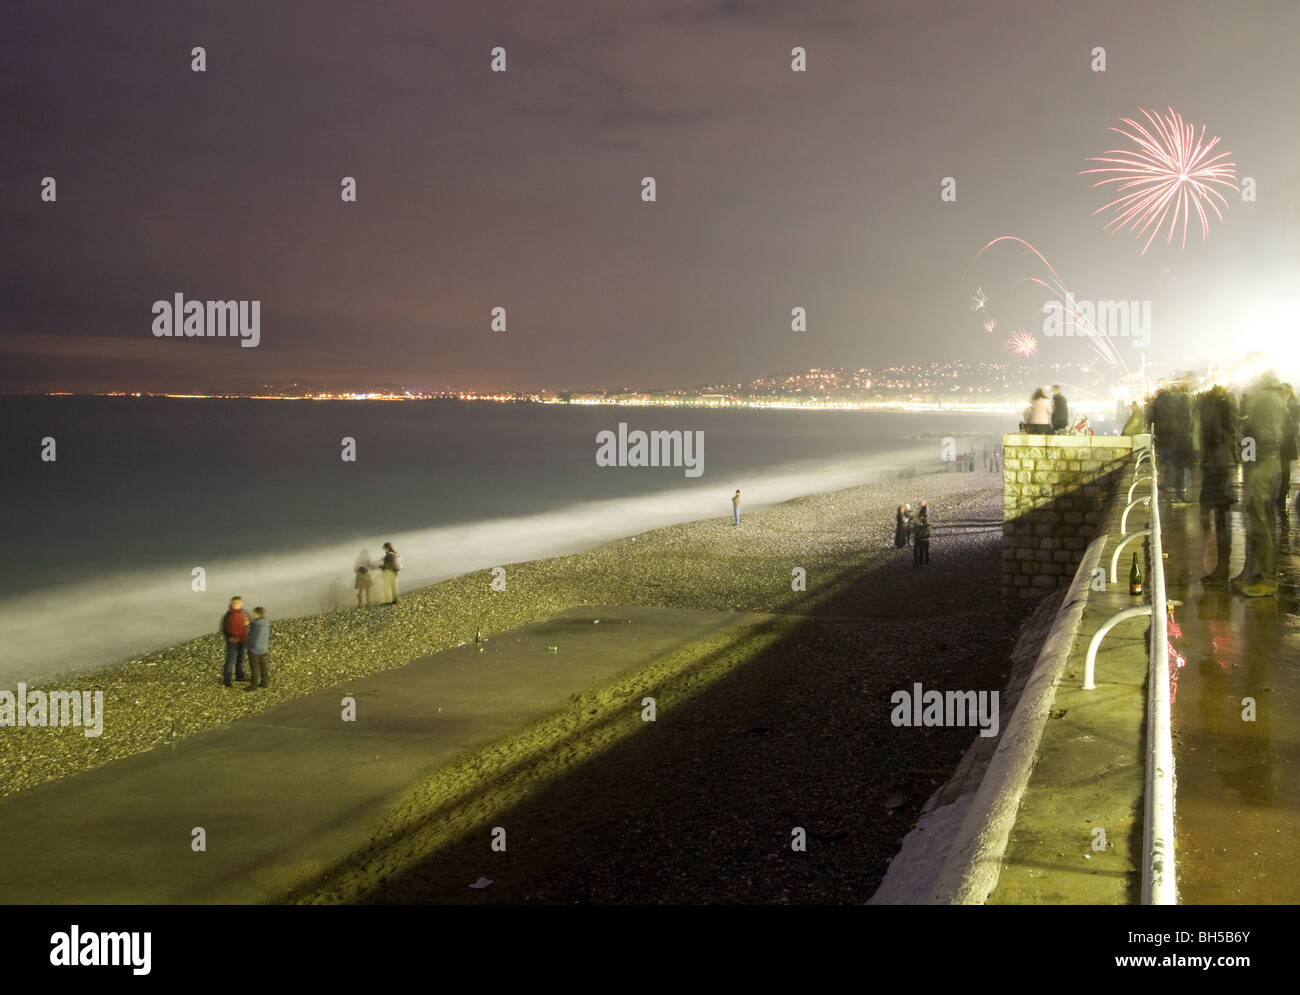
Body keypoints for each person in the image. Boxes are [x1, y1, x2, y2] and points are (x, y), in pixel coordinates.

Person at [1235, 373, 1286, 597]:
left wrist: (1250, 454)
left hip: (1263, 464)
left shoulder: (1266, 399)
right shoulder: (1269, 398)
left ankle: (1267, 579)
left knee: (1261, 520)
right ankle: (1254, 573)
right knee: (1257, 518)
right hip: (1262, 462)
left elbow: (1267, 435)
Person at [1197, 386, 1238, 585]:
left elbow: (1213, 434)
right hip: (1218, 463)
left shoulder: (1216, 409)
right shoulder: (1227, 407)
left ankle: (1221, 569)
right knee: (1219, 518)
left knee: (1220, 519)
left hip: (1217, 465)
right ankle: (1220, 567)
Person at [219, 596, 250, 687]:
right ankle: (227, 680)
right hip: (233, 642)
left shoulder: (245, 613)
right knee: (230, 661)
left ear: (241, 604)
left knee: (241, 659)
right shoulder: (228, 615)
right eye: (234, 603)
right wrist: (229, 637)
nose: (236, 605)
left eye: (238, 603)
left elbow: (250, 624)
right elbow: (224, 628)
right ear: (232, 604)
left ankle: (239, 676)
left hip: (243, 640)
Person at [1278, 382, 1299, 511]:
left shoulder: (1294, 406)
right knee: (1281, 467)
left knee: (1285, 467)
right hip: (1281, 441)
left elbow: (1293, 426)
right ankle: (1282, 491)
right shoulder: (1279, 405)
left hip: (1287, 441)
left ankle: (1283, 492)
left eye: (1286, 391)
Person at [246, 607, 271, 689]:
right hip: (263, 648)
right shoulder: (266, 623)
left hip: (255, 649)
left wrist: (249, 646)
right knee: (263, 666)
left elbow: (254, 637)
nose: (252, 615)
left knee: (254, 668)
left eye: (253, 613)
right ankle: (265, 682)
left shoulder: (256, 625)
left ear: (257, 614)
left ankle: (254, 685)